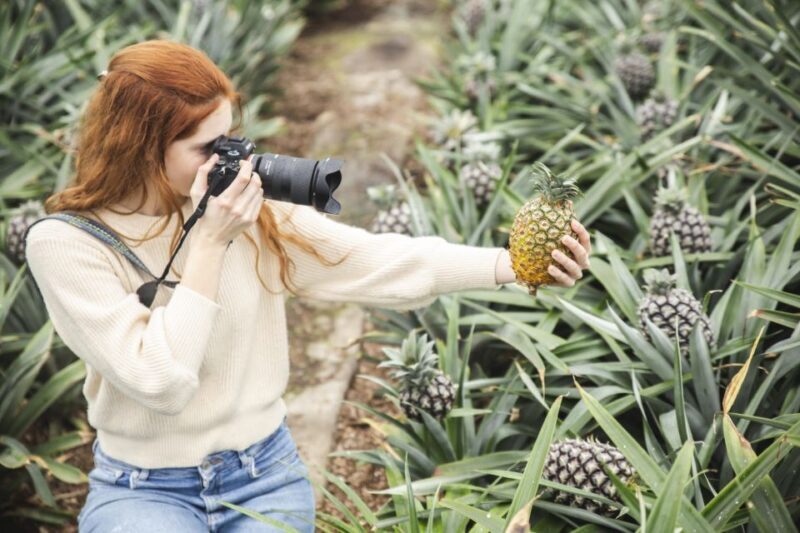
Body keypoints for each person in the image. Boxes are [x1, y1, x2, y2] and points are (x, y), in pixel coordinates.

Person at [24, 40, 591, 532]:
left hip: (261, 474)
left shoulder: (250, 215)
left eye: (232, 140)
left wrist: (513, 263)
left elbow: (374, 260)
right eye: (207, 149)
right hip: (143, 488)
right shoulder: (69, 245)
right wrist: (211, 244)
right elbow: (163, 382)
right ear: (141, 147)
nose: (232, 163)